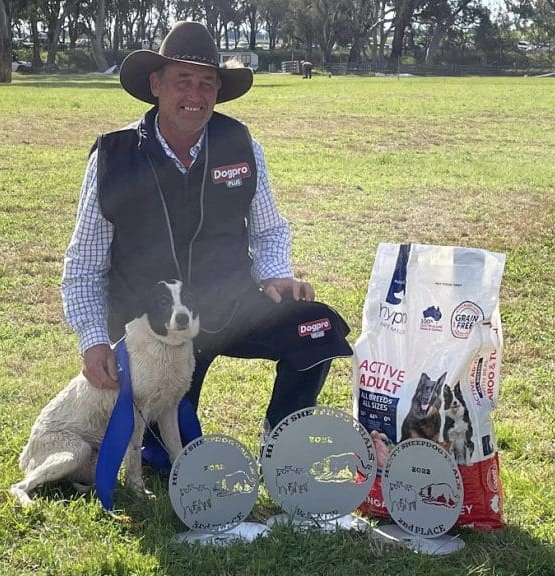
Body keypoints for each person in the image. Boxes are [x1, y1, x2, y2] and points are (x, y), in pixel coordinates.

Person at [62, 21, 352, 446]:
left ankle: (282, 439)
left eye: (207, 83)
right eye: (183, 81)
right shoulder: (113, 156)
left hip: (230, 310)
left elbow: (270, 229)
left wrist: (275, 273)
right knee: (163, 462)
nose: (195, 97)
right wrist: (93, 342)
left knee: (318, 329)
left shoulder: (240, 145)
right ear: (156, 84)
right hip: (155, 331)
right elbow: (84, 266)